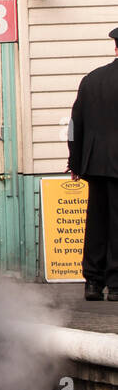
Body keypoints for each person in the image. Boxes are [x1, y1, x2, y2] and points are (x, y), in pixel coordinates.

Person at [67, 27, 118, 301]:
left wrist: (74, 161)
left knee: (96, 223)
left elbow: (75, 125)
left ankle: (93, 282)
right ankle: (117, 283)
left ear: (115, 47)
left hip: (95, 162)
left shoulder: (92, 80)